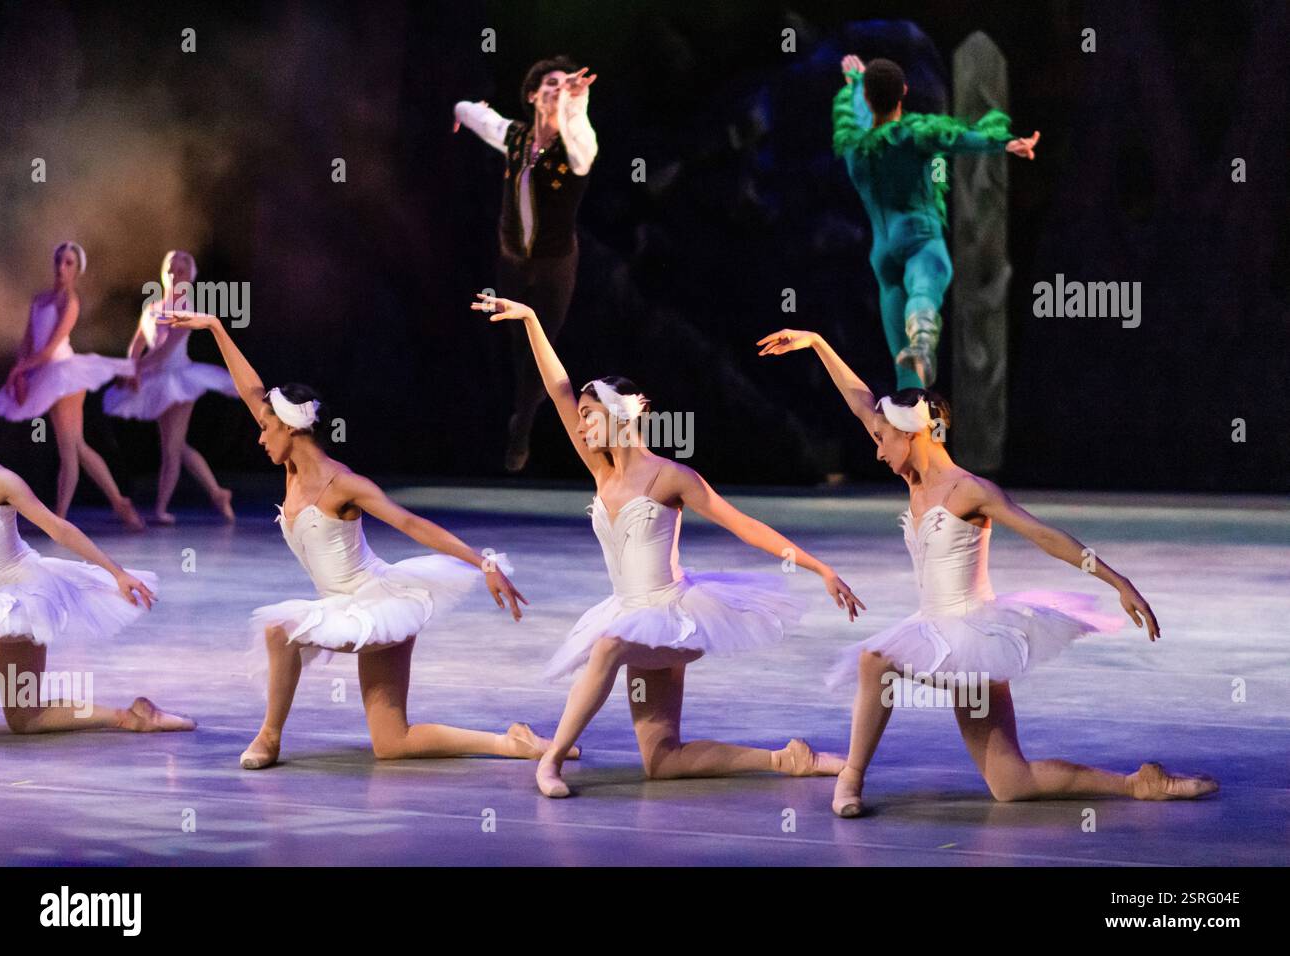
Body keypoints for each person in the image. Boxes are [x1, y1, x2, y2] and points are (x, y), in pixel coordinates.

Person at [756, 327, 1220, 816]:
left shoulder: (968, 490)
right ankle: (1137, 785)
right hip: (934, 630)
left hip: (972, 634)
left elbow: (1043, 535)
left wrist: (1118, 581)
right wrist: (816, 342)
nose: (876, 450)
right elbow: (861, 401)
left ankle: (850, 778)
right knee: (1011, 783)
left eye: (884, 439)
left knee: (877, 661)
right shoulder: (913, 476)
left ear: (914, 434)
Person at [475, 292, 865, 798]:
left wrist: (819, 568)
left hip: (671, 615)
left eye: (591, 415)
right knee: (662, 760)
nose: (581, 423)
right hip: (628, 610)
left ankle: (550, 762)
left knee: (608, 646)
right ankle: (789, 758)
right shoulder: (601, 469)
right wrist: (530, 318)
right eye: (583, 416)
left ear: (618, 417)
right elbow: (559, 389)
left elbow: (743, 525)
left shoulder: (670, 477)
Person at [158, 309, 572, 770]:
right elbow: (251, 388)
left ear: (293, 428)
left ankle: (269, 737)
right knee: (392, 743)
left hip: (375, 606)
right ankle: (512, 742)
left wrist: (484, 563)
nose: (260, 438)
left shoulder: (343, 484)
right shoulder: (291, 464)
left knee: (280, 631)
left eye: (266, 428)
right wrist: (216, 327)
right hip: (350, 609)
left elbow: (411, 524)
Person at [832, 54, 1040, 388]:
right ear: (904, 91)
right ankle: (924, 332)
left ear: (868, 98)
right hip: (918, 235)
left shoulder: (855, 146)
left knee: (907, 369)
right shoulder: (914, 136)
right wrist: (1005, 143)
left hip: (883, 252)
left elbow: (855, 114)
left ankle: (909, 402)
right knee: (927, 279)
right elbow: (955, 138)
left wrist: (856, 82)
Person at [454, 56, 598, 472]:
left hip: (555, 265)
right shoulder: (515, 138)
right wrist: (460, 113)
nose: (557, 88)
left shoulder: (575, 141)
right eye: (549, 84)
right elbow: (477, 115)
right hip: (513, 260)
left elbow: (582, 154)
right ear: (533, 95)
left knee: (541, 346)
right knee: (516, 346)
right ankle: (513, 415)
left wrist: (576, 104)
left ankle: (523, 428)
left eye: (563, 84)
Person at [0, 459, 194, 734]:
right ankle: (132, 717)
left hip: (18, 595)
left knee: (26, 716)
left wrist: (116, 572)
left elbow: (58, 529)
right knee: (25, 720)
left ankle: (126, 719)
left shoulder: (2, 480)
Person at [0, 242, 144, 529]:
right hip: (42, 372)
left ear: (77, 270)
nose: (62, 267)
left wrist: (20, 371)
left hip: (65, 374)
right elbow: (28, 342)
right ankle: (118, 501)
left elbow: (50, 349)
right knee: (78, 445)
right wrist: (21, 371)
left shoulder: (70, 302)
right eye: (59, 261)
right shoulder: (40, 299)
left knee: (68, 449)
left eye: (69, 263)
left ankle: (59, 520)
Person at [104, 250, 237, 524]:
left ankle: (162, 509)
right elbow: (138, 343)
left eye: (183, 271)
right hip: (157, 378)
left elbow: (164, 352)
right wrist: (131, 366)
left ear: (191, 277)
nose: (176, 275)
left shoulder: (186, 310)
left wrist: (137, 369)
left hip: (179, 379)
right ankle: (217, 492)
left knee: (172, 448)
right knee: (176, 445)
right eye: (172, 269)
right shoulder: (152, 308)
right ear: (163, 274)